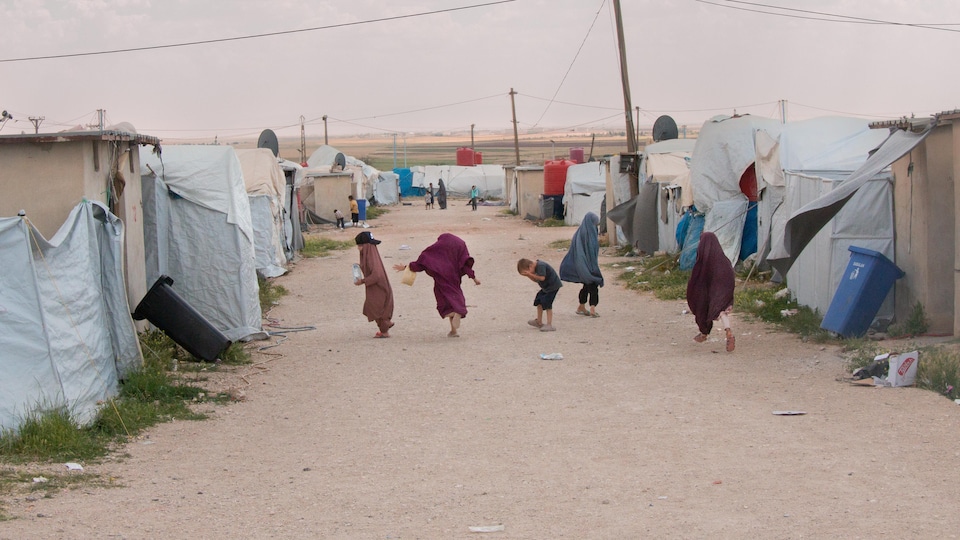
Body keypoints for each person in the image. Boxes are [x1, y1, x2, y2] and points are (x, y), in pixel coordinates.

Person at [393, 233, 480, 337]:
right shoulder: (460, 247)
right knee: (454, 300)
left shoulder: (436, 250)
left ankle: (453, 315)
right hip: (454, 280)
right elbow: (466, 265)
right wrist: (474, 278)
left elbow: (422, 263)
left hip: (441, 281)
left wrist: (407, 267)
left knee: (445, 304)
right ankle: (453, 330)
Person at [686, 231, 736, 352]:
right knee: (721, 310)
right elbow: (730, 275)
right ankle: (728, 331)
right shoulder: (724, 259)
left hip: (712, 288)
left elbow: (698, 280)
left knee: (703, 307)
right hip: (723, 289)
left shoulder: (704, 262)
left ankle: (704, 333)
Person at [559, 212, 603, 317]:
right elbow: (589, 252)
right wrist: (591, 267)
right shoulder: (589, 235)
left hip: (581, 266)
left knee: (587, 285)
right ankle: (592, 308)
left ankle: (581, 306)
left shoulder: (579, 234)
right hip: (587, 266)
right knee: (593, 283)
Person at [354, 231, 395, 338]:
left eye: (359, 246)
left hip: (378, 287)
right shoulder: (371, 256)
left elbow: (376, 275)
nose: (358, 248)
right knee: (374, 307)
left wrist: (362, 281)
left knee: (376, 308)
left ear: (365, 246)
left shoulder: (370, 257)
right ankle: (386, 323)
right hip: (377, 287)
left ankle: (384, 330)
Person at [518, 258, 561, 332]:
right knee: (539, 301)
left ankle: (549, 324)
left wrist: (530, 274)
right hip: (546, 287)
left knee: (548, 304)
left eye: (526, 271)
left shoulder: (541, 266)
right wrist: (529, 275)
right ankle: (539, 321)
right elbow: (536, 280)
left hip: (552, 287)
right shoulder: (534, 269)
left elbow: (542, 278)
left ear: (530, 266)